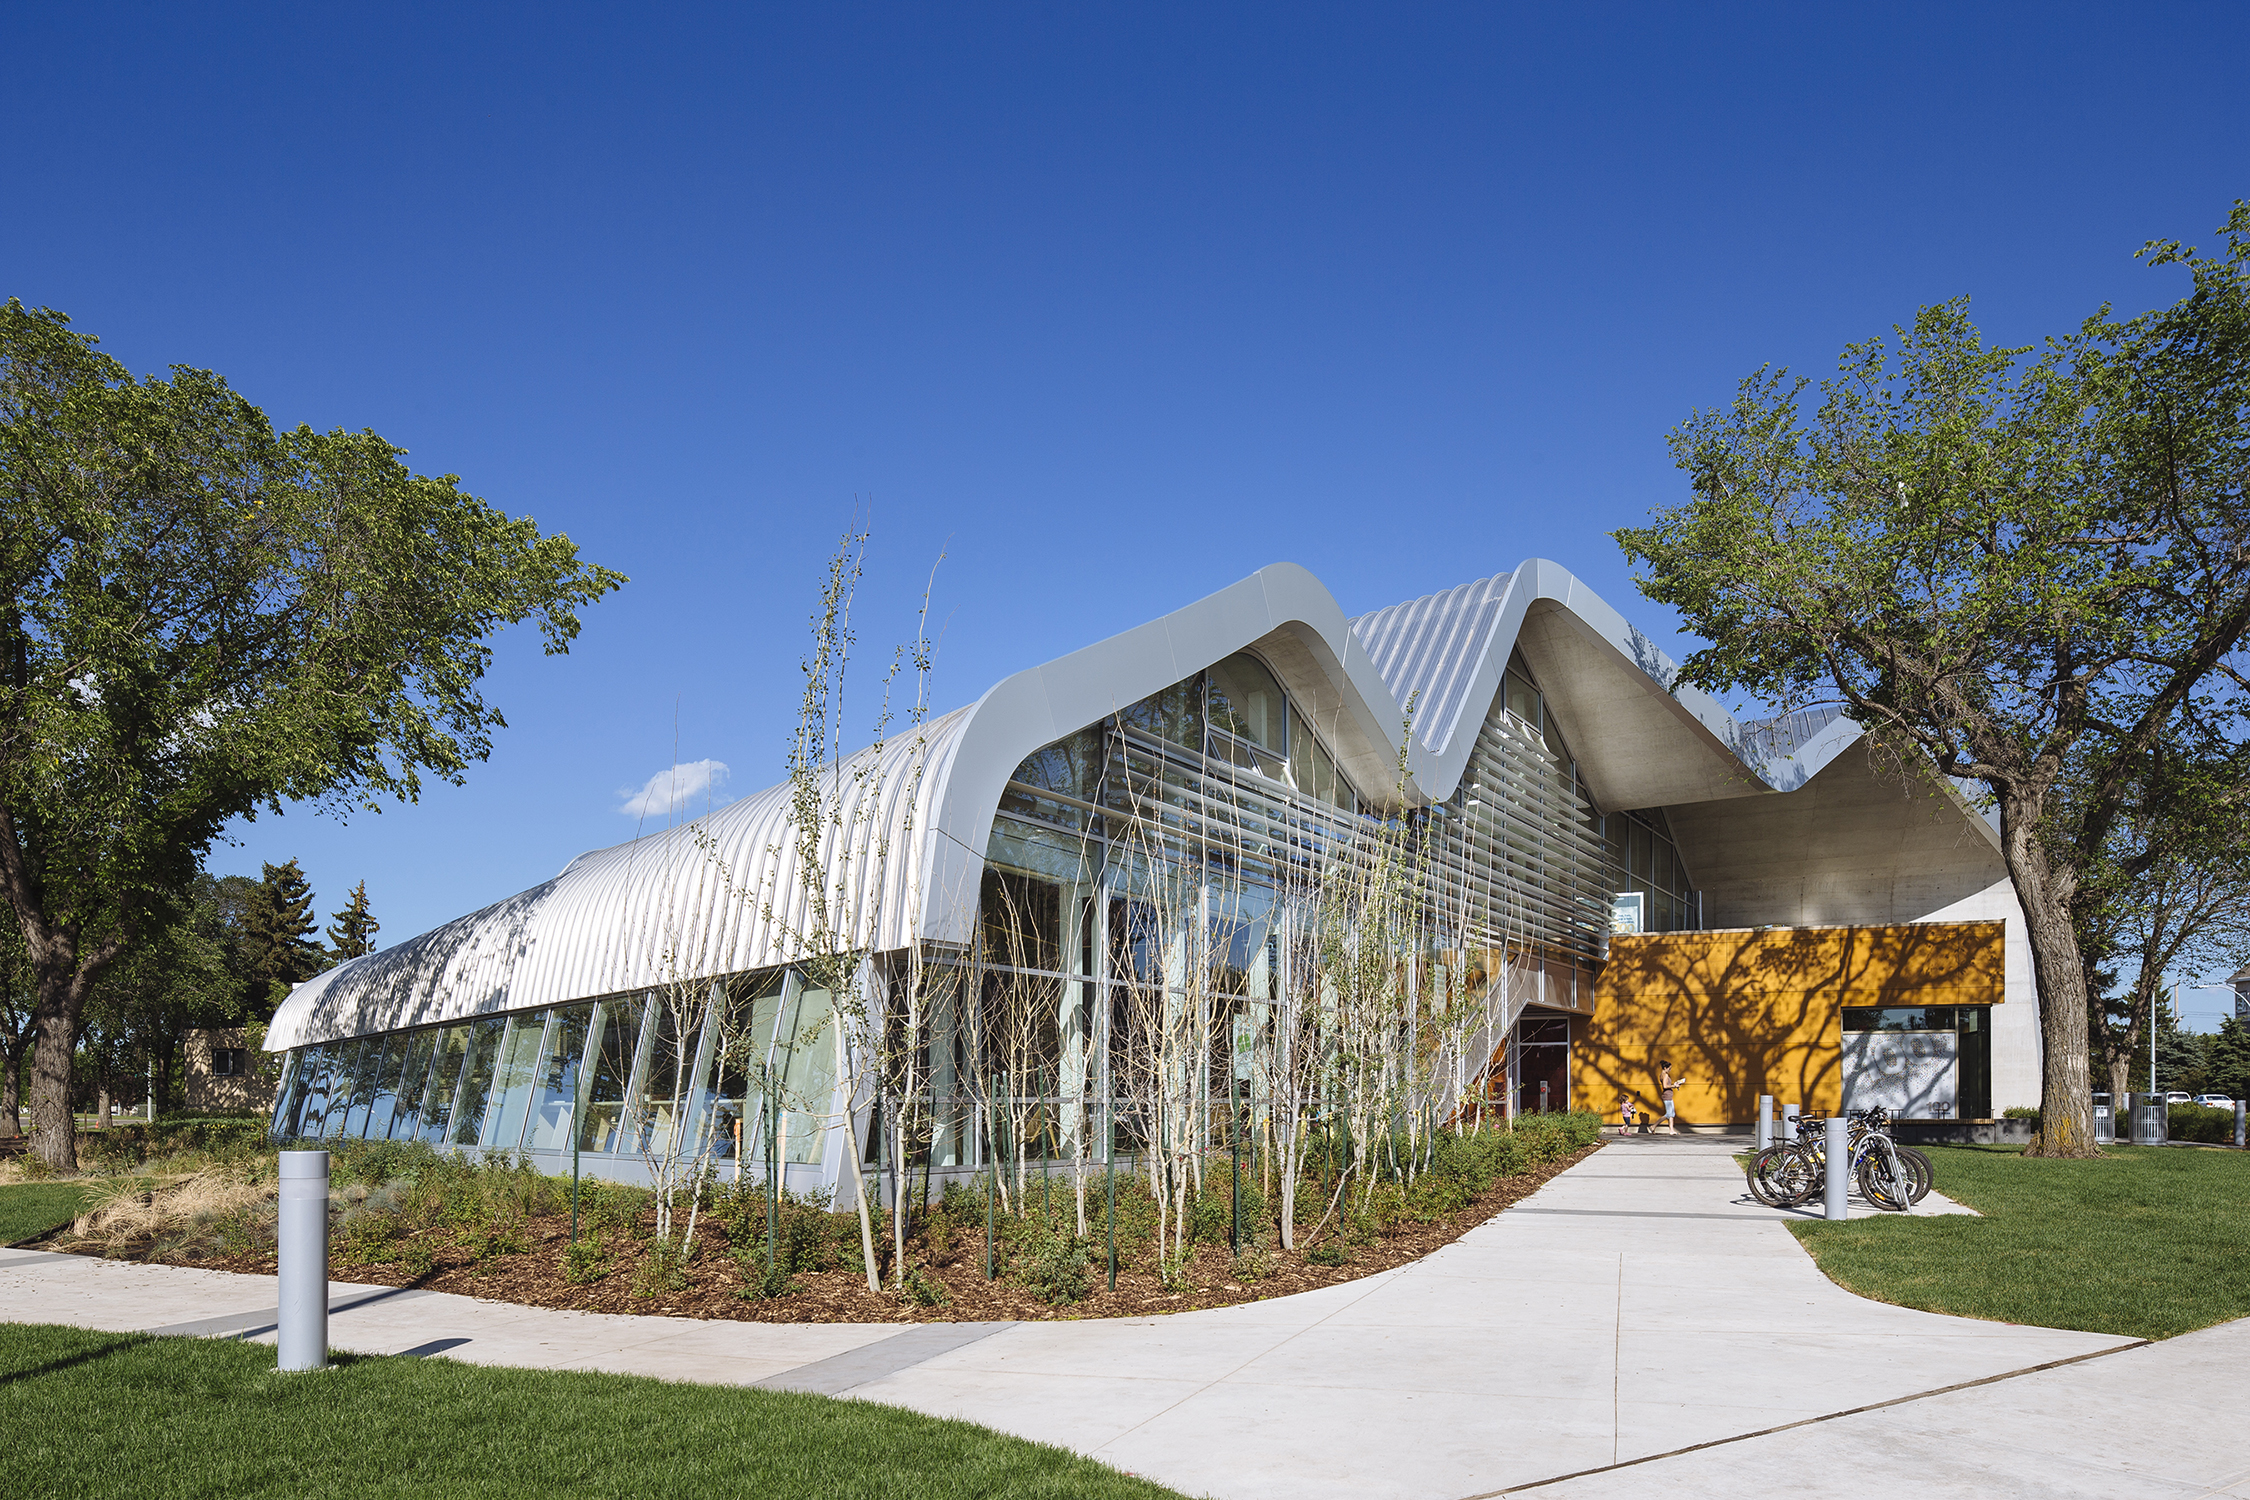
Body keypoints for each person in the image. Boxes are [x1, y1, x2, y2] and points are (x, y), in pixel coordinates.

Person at [1659, 1060, 1690, 1134]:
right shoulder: (1665, 1075)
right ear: (1665, 1067)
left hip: (1668, 1095)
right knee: (1669, 1114)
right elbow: (1665, 1086)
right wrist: (1674, 1086)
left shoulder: (1662, 1074)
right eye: (1669, 1069)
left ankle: (1671, 1130)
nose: (1670, 1070)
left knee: (1672, 1114)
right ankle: (1653, 1126)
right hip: (1667, 1096)